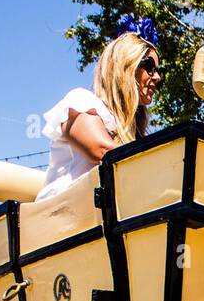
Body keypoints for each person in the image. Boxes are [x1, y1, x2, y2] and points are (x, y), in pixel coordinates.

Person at [37, 16, 162, 202]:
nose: (157, 77)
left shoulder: (131, 132)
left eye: (160, 71)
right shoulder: (82, 101)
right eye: (149, 67)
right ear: (124, 66)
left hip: (103, 219)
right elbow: (104, 152)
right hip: (63, 219)